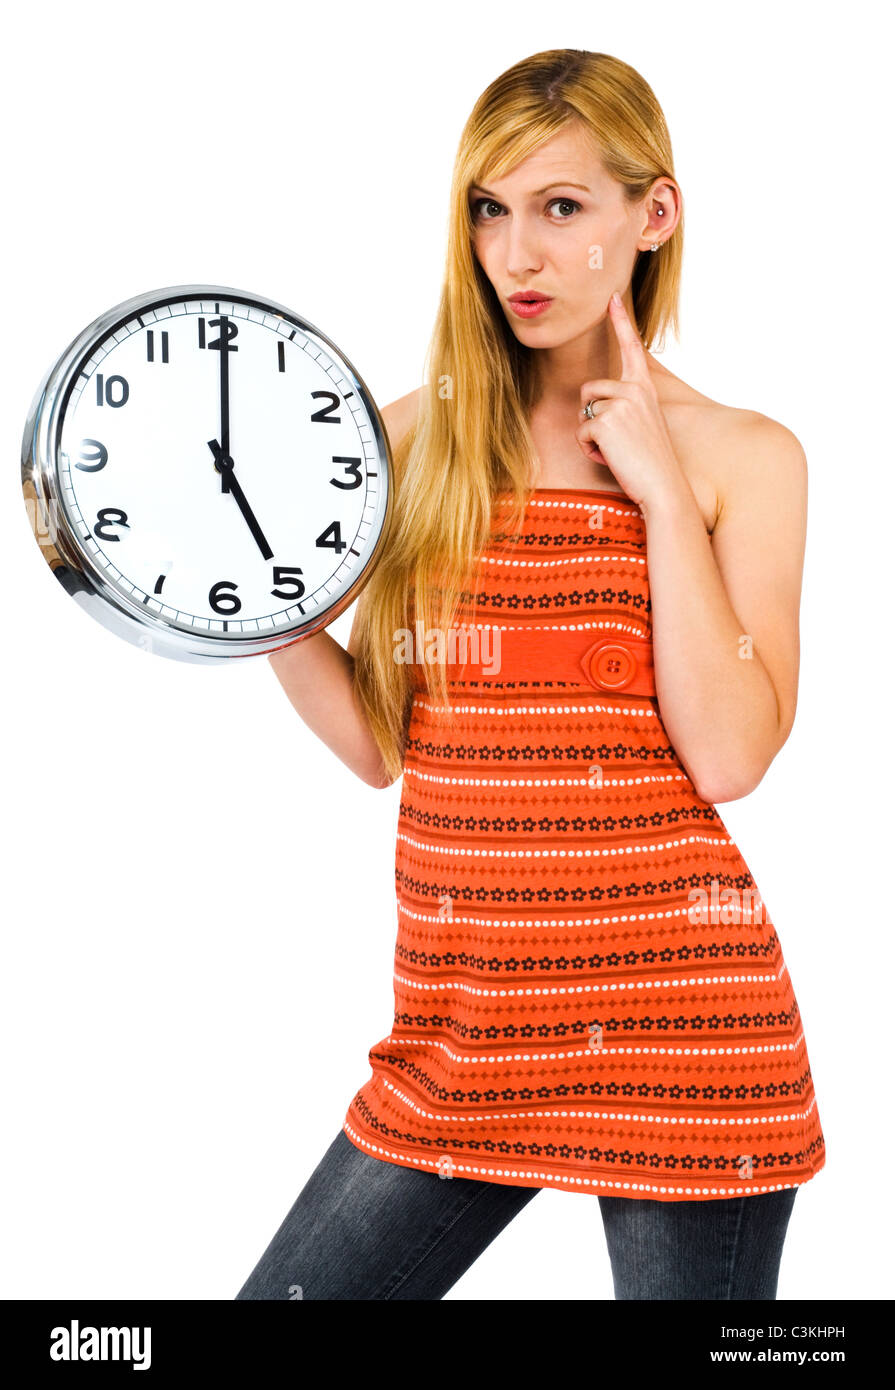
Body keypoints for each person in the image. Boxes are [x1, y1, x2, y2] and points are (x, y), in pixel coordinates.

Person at [236, 47, 825, 1301]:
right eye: (489, 209)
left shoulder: (743, 456)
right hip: (457, 1042)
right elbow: (379, 747)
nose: (517, 254)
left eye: (561, 207)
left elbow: (730, 756)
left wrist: (657, 492)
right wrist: (274, 614)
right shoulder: (408, 439)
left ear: (651, 216)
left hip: (685, 1040)